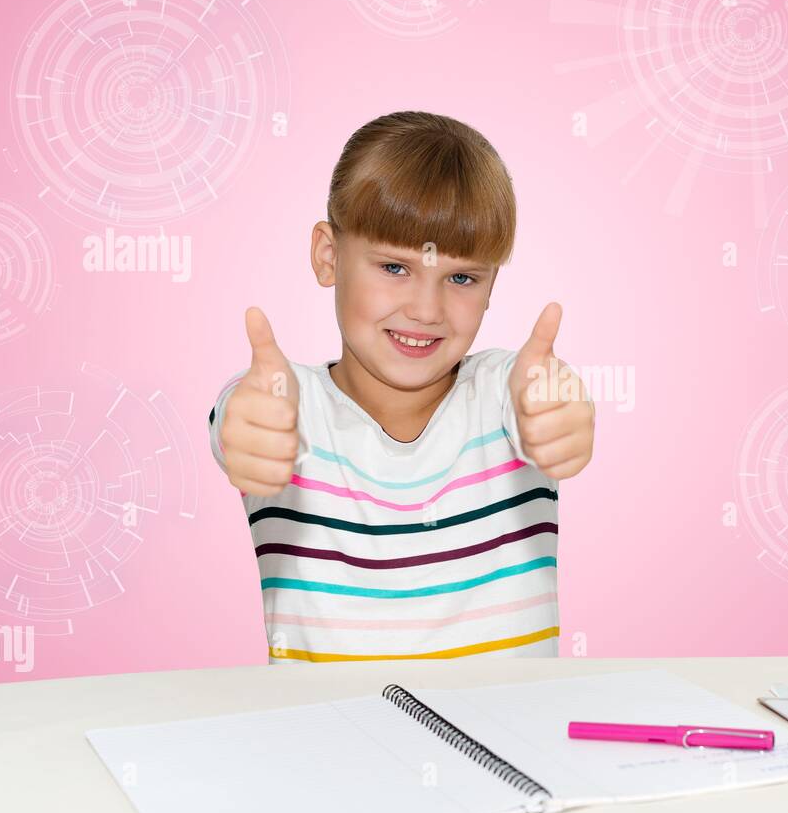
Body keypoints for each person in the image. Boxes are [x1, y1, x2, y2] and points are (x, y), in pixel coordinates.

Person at [207, 111, 595, 663]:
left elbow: (542, 398)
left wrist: (562, 415)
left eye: (461, 278)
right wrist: (247, 429)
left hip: (506, 743)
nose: (425, 309)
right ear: (328, 255)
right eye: (394, 267)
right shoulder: (285, 404)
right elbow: (240, 418)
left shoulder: (505, 394)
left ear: (492, 287)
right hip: (325, 743)